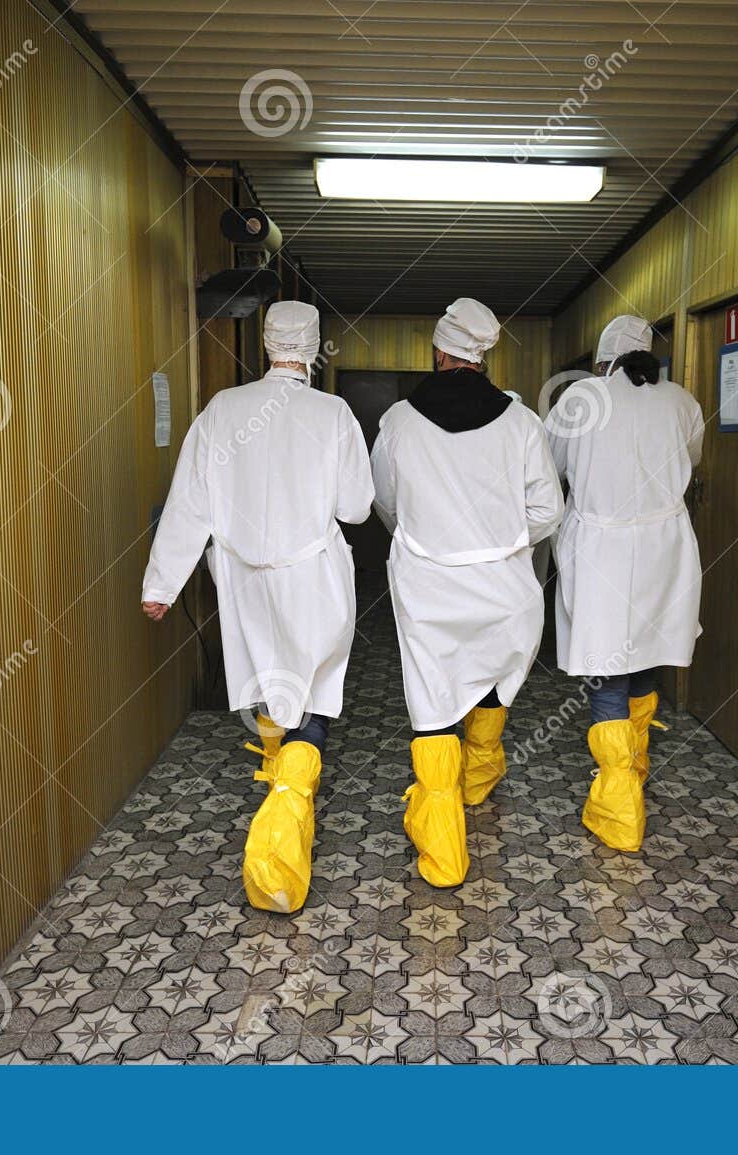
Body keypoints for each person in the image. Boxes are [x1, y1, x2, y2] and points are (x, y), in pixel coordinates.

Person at [140, 300, 373, 913]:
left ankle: (277, 796)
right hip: (313, 575)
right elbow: (355, 508)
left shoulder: (223, 409)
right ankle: (281, 840)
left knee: (272, 686)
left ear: (266, 344)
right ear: (313, 345)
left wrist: (161, 585)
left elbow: (189, 501)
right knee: (312, 691)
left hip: (243, 579)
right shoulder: (333, 413)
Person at [370, 298, 562, 887]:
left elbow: (386, 503)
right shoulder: (524, 423)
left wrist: (431, 535)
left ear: (439, 350)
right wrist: (501, 540)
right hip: (506, 588)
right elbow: (547, 511)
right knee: (493, 678)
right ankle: (478, 781)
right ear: (483, 356)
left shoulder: (400, 420)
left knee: (432, 701)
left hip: (428, 588)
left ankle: (445, 850)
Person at [545, 314, 705, 852]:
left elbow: (552, 467)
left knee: (606, 668)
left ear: (603, 359)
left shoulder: (581, 398)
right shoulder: (680, 401)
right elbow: (693, 457)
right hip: (664, 546)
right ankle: (634, 769)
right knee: (646, 654)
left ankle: (618, 808)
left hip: (602, 547)